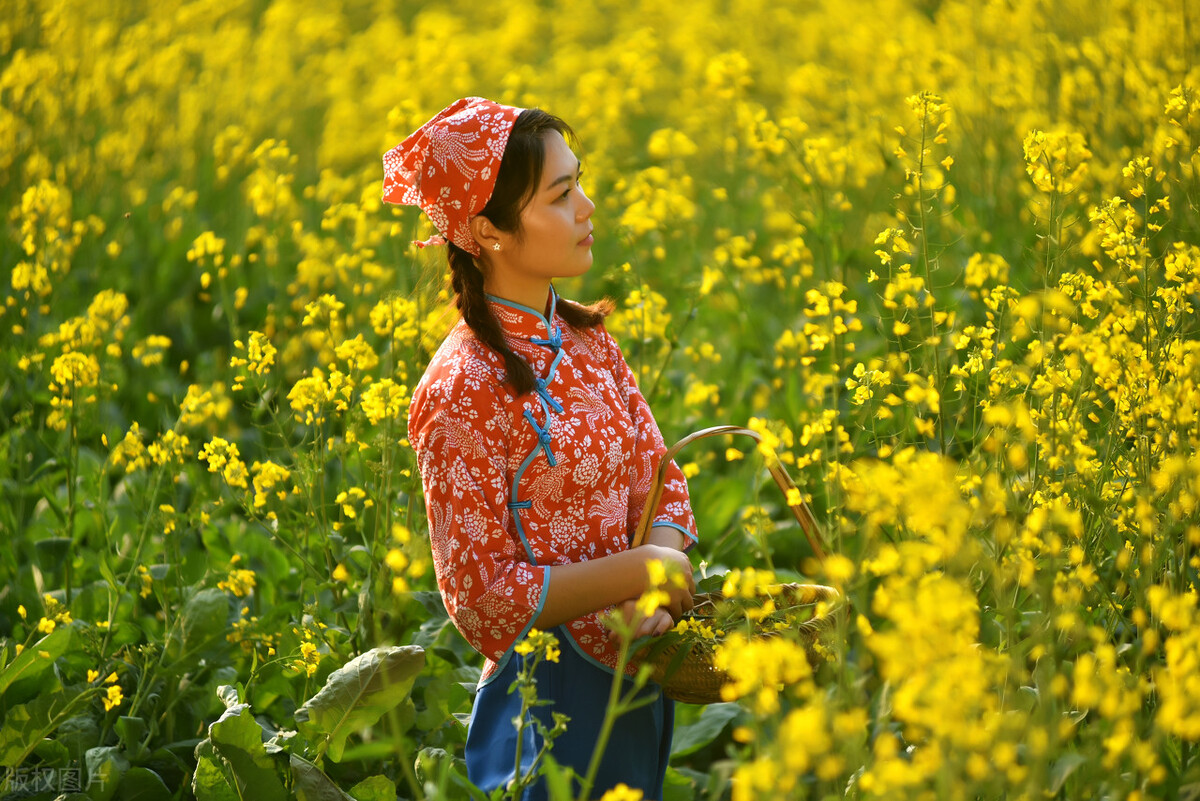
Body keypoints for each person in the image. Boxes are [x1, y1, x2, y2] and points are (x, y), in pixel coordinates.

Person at [384, 97, 698, 800]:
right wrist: (639, 568)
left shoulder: (589, 340)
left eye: (579, 181)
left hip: (640, 669)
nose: (587, 206)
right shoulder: (460, 387)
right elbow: (481, 596)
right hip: (547, 701)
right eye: (561, 194)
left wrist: (658, 576)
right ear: (487, 231)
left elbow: (662, 476)